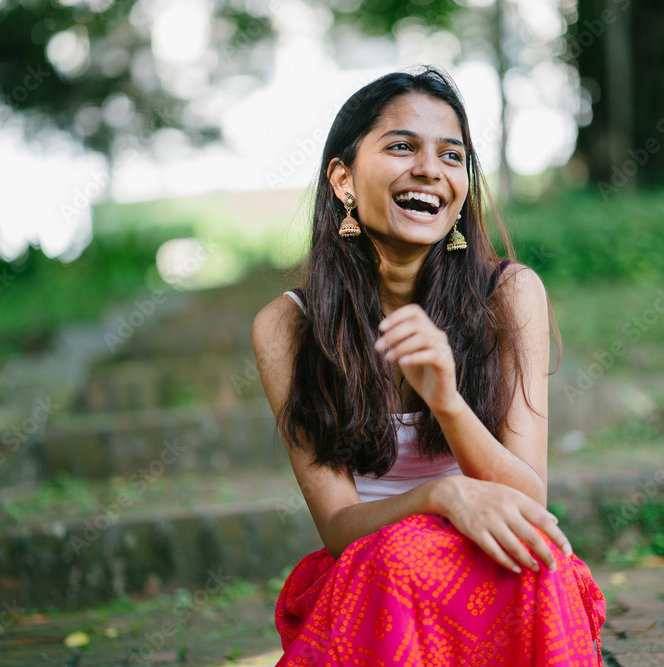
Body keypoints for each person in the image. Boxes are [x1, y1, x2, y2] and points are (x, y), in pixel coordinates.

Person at [252, 65, 605, 666]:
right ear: (343, 180)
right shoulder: (288, 327)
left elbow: (528, 498)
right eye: (400, 146)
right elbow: (339, 527)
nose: (429, 170)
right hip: (379, 584)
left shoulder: (509, 294)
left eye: (451, 155)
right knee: (401, 556)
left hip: (495, 565)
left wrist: (447, 401)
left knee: (526, 553)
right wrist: (440, 495)